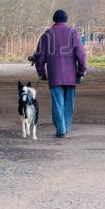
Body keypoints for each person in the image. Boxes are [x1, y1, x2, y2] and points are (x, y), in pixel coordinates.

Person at [33, 9, 87, 138]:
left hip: (55, 74)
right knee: (69, 103)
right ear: (66, 19)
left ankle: (61, 129)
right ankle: (66, 126)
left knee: (57, 102)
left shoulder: (47, 35)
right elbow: (81, 53)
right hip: (71, 75)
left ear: (54, 20)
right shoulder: (73, 33)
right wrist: (82, 69)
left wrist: (42, 73)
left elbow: (40, 57)